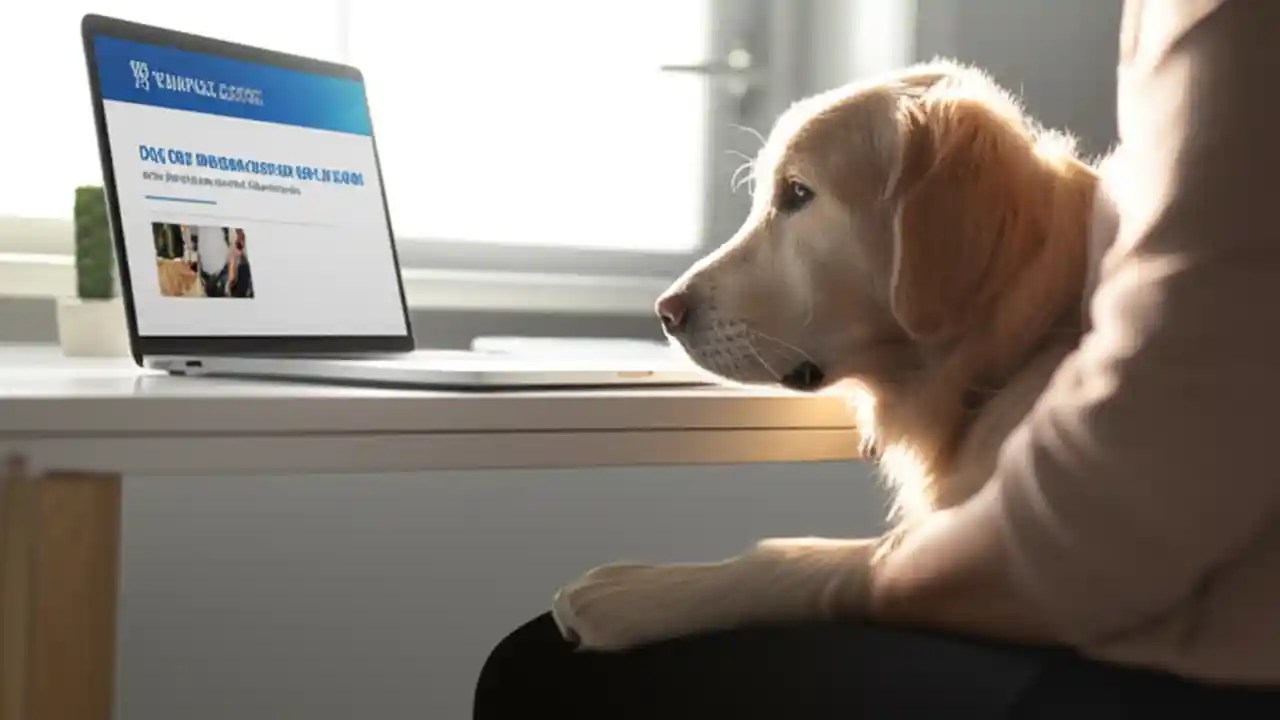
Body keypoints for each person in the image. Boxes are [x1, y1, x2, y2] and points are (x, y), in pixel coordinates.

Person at [473, 1, 1280, 716]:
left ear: (944, 232)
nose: (681, 299)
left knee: (544, 673)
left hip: (1210, 678)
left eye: (794, 198)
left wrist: (775, 578)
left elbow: (1103, 529)